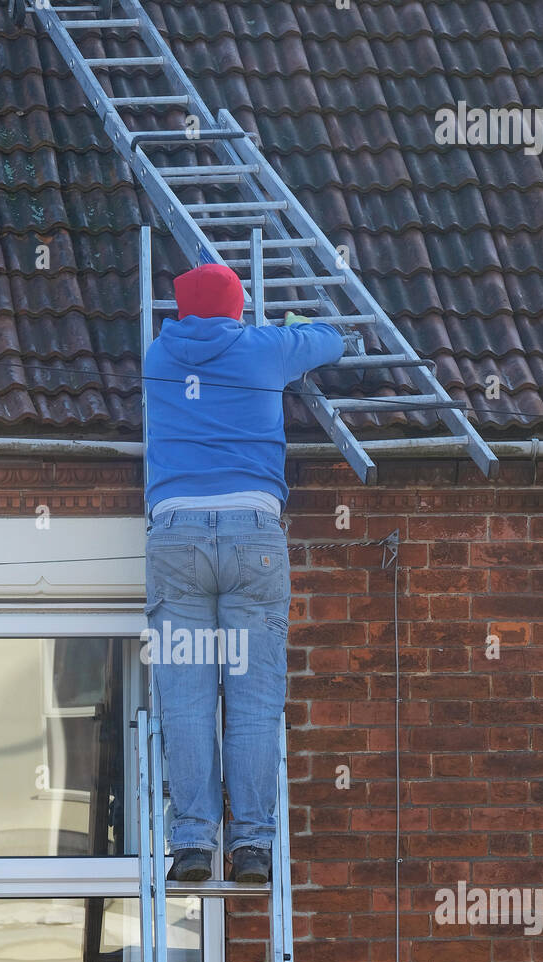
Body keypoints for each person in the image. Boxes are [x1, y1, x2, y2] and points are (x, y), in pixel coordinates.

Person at [143, 262, 347, 883]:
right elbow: (330, 340)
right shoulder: (263, 349)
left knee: (185, 701)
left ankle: (193, 845)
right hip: (252, 534)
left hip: (175, 536)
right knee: (254, 704)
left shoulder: (156, 356)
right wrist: (291, 323)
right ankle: (253, 845)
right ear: (238, 309)